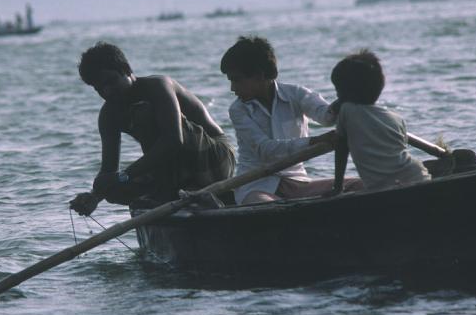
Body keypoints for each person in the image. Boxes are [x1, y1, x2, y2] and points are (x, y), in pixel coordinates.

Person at [69, 42, 236, 216]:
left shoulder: (157, 86)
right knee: (110, 189)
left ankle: (168, 194)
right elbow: (108, 173)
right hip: (173, 171)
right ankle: (177, 194)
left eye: (111, 82)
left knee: (143, 112)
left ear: (126, 70)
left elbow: (173, 141)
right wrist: (95, 196)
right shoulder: (108, 115)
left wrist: (123, 176)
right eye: (99, 89)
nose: (108, 91)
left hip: (215, 158)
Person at [220, 36, 362, 205]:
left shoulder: (296, 94)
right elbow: (266, 149)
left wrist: (344, 99)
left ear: (259, 75)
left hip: (297, 184)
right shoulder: (239, 110)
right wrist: (315, 141)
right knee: (265, 205)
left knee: (360, 185)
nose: (233, 88)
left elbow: (326, 117)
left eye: (237, 80)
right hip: (256, 186)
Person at [326, 50, 430, 195]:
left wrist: (337, 188)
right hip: (417, 175)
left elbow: (342, 148)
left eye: (338, 90)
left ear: (345, 93)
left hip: (389, 186)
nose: (336, 95)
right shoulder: (396, 118)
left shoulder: (347, 110)